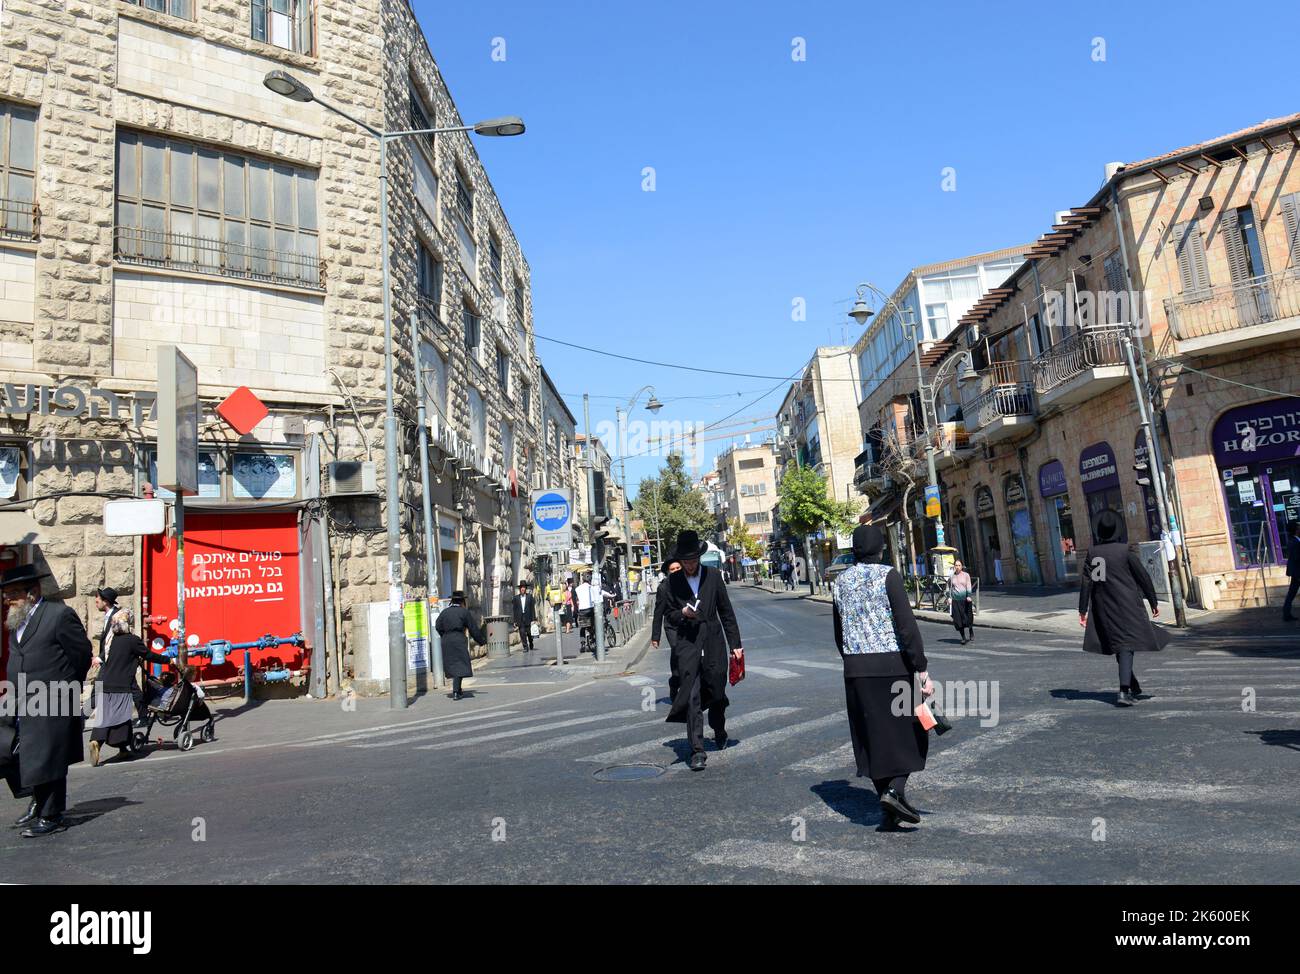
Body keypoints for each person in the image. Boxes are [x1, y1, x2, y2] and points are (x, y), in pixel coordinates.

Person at [831, 525, 931, 833]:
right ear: (881, 549)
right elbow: (906, 624)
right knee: (915, 730)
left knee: (873, 738)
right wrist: (921, 666)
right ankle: (894, 790)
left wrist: (852, 659)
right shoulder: (888, 576)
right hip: (894, 666)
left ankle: (889, 812)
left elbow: (838, 631)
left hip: (856, 670)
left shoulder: (840, 582)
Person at [2, 564, 93, 838]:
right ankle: (36, 800)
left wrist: (64, 689)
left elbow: (81, 654)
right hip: (18, 700)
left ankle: (51, 815)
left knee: (48, 757)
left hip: (51, 698)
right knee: (13, 751)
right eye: (6, 595)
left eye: (14, 593)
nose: (8, 600)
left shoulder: (58, 615)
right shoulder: (16, 621)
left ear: (32, 592)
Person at [658, 532, 742, 771]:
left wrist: (735, 645)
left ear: (699, 557)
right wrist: (682, 613)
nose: (691, 565)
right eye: (686, 561)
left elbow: (726, 613)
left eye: (694, 560)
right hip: (688, 645)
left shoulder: (714, 577)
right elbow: (669, 615)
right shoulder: (671, 583)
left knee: (716, 690)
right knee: (692, 696)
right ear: (681, 560)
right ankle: (697, 750)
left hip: (713, 641)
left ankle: (718, 726)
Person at [1079, 510, 1169, 706]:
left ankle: (1132, 683)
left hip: (1103, 605)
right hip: (1126, 604)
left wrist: (1082, 610)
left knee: (1120, 644)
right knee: (1126, 644)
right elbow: (1142, 576)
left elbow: (1088, 582)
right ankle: (1123, 691)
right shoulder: (1124, 550)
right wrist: (1153, 601)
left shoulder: (1093, 553)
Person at [87, 608, 170, 767]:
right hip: (121, 685)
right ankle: (110, 745)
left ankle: (105, 744)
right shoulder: (132, 640)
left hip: (107, 683)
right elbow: (149, 655)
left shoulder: (113, 641)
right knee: (120, 719)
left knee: (105, 716)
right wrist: (167, 660)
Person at [435, 591, 487, 700]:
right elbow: (473, 628)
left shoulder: (444, 612)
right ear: (462, 601)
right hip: (458, 639)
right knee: (460, 665)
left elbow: (438, 626)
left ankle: (457, 690)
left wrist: (444, 635)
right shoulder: (463, 612)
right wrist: (481, 641)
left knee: (454, 665)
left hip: (446, 640)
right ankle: (456, 692)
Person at [651, 560, 683, 699]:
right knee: (677, 650)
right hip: (672, 626)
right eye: (672, 569)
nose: (676, 570)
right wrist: (655, 636)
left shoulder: (688, 582)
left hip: (688, 624)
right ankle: (675, 681)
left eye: (678, 568)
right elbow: (658, 612)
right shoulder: (663, 588)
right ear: (668, 572)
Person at [948, 560, 974, 644]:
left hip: (965, 600)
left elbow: (969, 585)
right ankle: (963, 637)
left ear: (961, 566)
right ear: (954, 566)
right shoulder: (951, 577)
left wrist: (969, 595)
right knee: (958, 620)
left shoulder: (966, 575)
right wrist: (949, 597)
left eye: (959, 565)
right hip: (956, 600)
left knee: (968, 618)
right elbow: (949, 588)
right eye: (956, 565)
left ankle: (971, 630)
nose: (957, 567)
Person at [1282, 520, 1300, 622]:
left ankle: (1286, 614)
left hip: (1296, 572)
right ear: (1296, 530)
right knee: (1291, 593)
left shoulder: (1296, 540)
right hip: (1297, 572)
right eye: (1299, 527)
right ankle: (1286, 614)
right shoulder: (1294, 542)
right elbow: (1297, 558)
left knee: (1291, 593)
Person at [512, 582, 536, 653]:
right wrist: (514, 621)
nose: (523, 589)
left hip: (528, 616)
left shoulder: (530, 597)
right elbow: (514, 610)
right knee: (522, 632)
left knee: (528, 632)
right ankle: (525, 646)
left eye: (524, 587)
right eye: (521, 587)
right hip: (520, 617)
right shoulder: (516, 598)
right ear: (520, 589)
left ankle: (531, 642)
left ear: (526, 589)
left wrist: (534, 618)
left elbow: (532, 608)